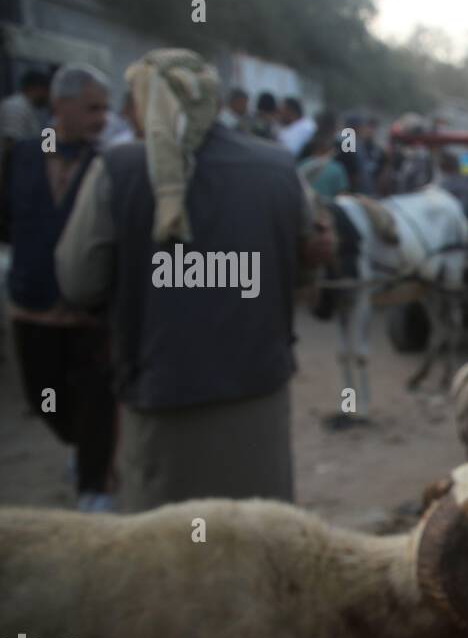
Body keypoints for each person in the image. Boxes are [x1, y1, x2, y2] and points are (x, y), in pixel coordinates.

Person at [55, 48, 331, 513]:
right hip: (259, 403)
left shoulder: (118, 171)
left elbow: (79, 283)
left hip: (162, 406)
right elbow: (307, 266)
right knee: (258, 545)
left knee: (171, 565)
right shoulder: (280, 168)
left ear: (149, 102)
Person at [1, 63, 116, 511]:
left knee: (96, 401)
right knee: (44, 398)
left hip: (90, 313)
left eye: (105, 108)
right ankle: (80, 447)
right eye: (92, 108)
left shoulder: (106, 164)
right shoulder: (24, 156)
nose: (102, 117)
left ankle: (95, 490)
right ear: (60, 104)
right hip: (33, 306)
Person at [0, 69, 50, 151]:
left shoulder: (26, 106)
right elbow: (9, 143)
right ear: (38, 89)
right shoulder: (16, 106)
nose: (47, 97)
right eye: (46, 91)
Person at [299, 130, 348, 200]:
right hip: (329, 208)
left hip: (307, 207)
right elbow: (342, 195)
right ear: (331, 149)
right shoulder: (337, 168)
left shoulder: (302, 165)